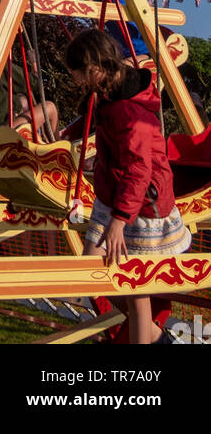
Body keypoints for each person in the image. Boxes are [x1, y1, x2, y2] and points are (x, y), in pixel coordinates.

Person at [62, 28, 190, 344]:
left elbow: (139, 170)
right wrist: (64, 136)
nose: (76, 80)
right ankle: (152, 333)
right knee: (94, 270)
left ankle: (145, 343)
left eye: (79, 73)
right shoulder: (109, 94)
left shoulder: (129, 110)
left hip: (142, 201)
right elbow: (94, 118)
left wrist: (120, 221)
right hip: (115, 192)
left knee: (135, 286)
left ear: (95, 69)